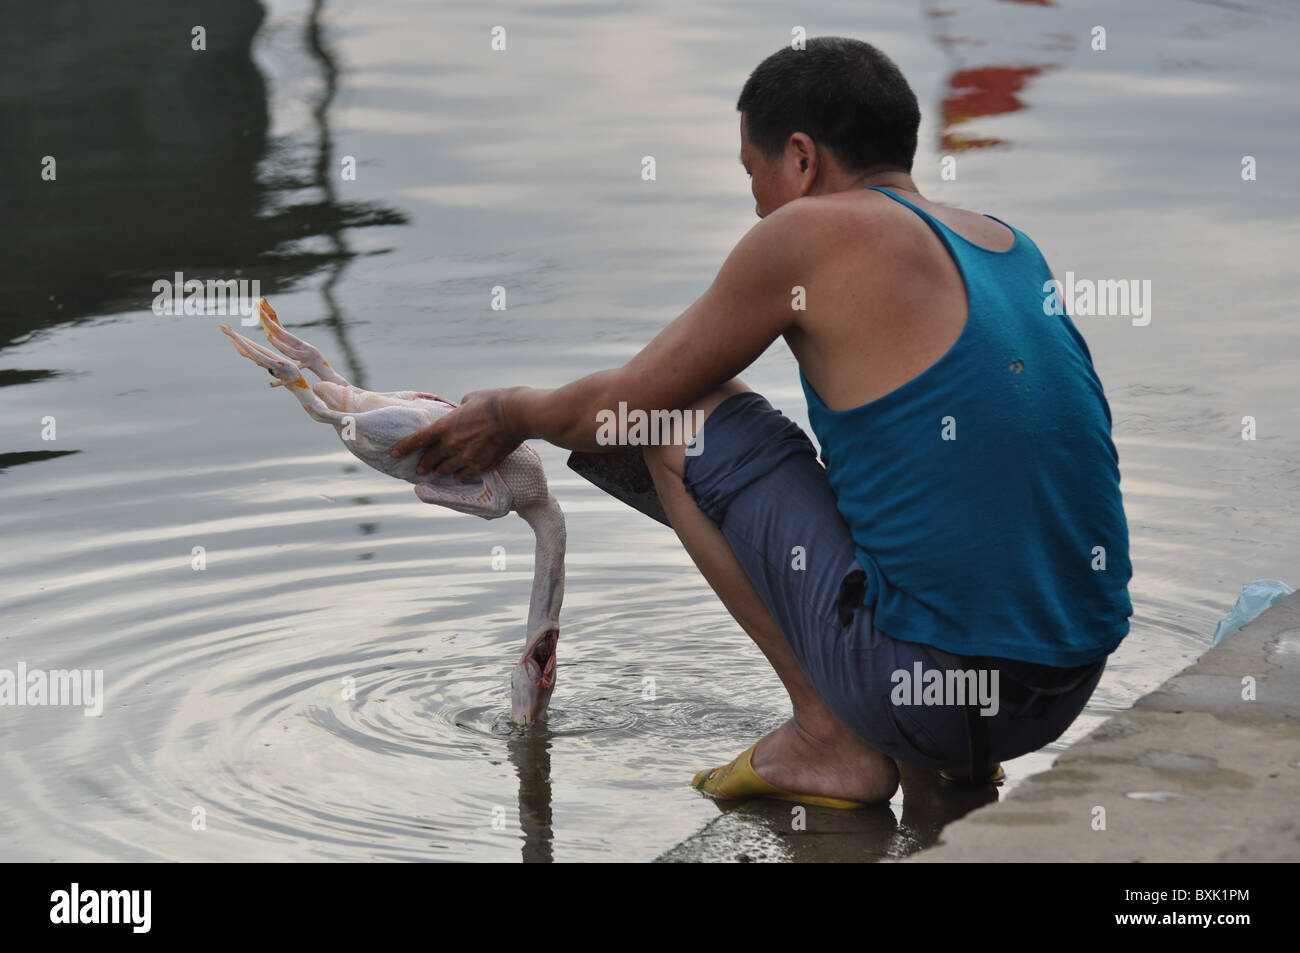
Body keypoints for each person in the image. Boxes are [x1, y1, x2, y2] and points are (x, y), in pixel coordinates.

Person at [390, 36, 1133, 807]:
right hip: (1061, 686)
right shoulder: (1007, 244)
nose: (755, 203)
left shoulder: (810, 234)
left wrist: (510, 412)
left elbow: (621, 410)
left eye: (754, 173)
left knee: (682, 416)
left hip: (929, 696)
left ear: (803, 159)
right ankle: (952, 766)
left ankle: (828, 737)